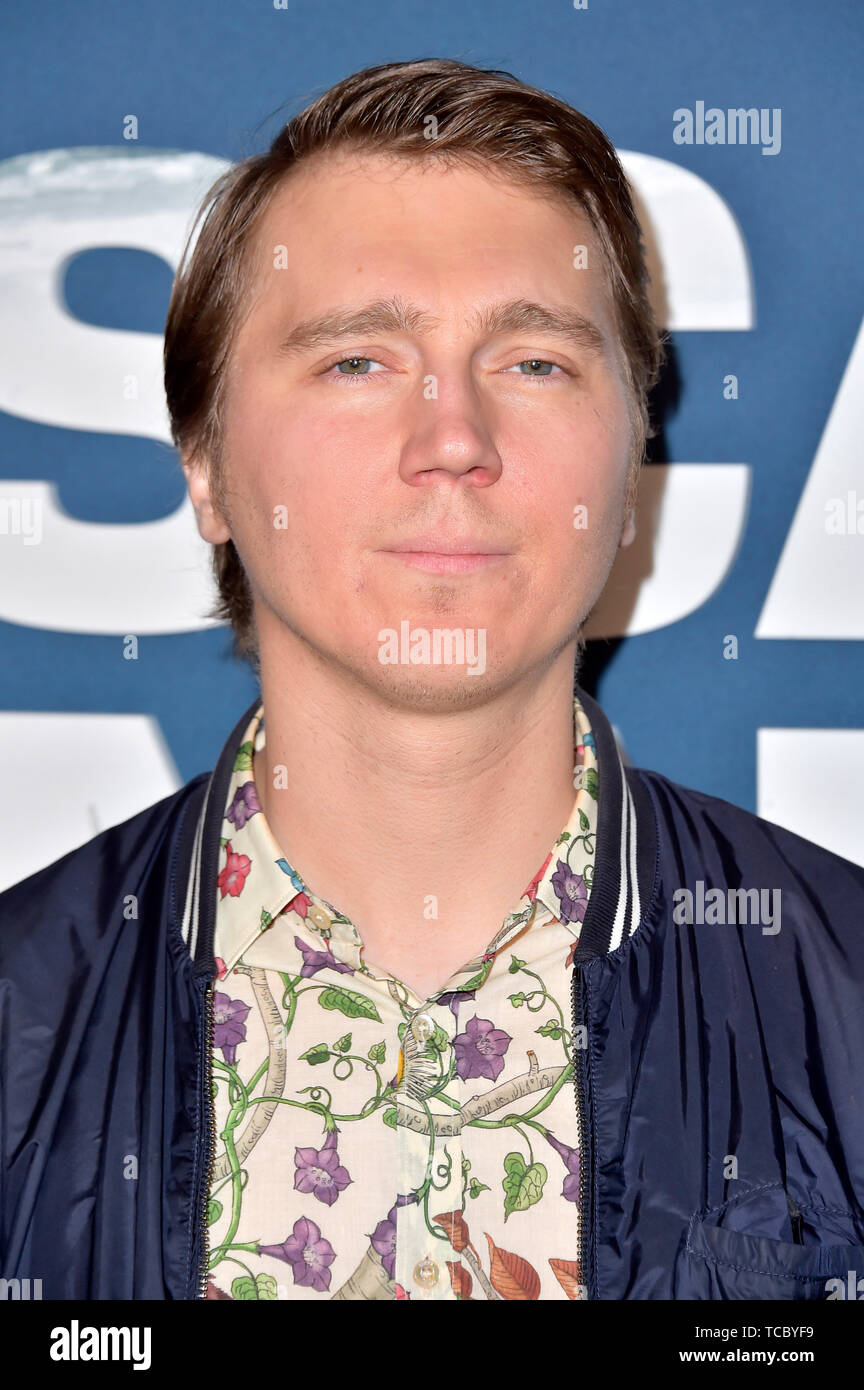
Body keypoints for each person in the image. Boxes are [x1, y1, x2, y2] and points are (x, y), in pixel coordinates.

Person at [1, 57, 862, 1303]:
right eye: (356, 361)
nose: (453, 436)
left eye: (535, 362)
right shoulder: (24, 1032)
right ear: (204, 466)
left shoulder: (840, 1012)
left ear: (630, 473)